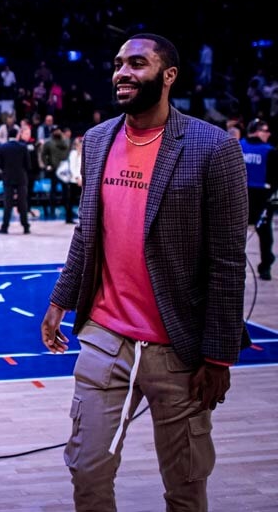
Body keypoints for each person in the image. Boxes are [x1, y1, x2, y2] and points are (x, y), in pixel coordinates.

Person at [40, 33, 249, 512]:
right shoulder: (97, 140)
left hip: (178, 347)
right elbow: (86, 234)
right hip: (104, 335)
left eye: (137, 63)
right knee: (86, 469)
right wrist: (60, 300)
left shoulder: (213, 148)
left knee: (185, 483)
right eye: (118, 63)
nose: (122, 73)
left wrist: (218, 357)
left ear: (168, 75)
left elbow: (227, 261)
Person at [241, 118, 276, 280]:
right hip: (253, 195)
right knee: (264, 235)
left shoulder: (240, 145)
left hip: (253, 195)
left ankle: (265, 265)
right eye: (265, 130)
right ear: (256, 131)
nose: (268, 134)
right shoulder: (269, 151)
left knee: (263, 234)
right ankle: (263, 267)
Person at [0, 122, 32, 234]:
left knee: (8, 204)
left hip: (8, 178)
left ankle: (5, 227)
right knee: (23, 203)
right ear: (17, 135)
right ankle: (26, 227)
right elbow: (28, 165)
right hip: (21, 178)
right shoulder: (23, 147)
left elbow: (0, 165)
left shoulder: (2, 147)